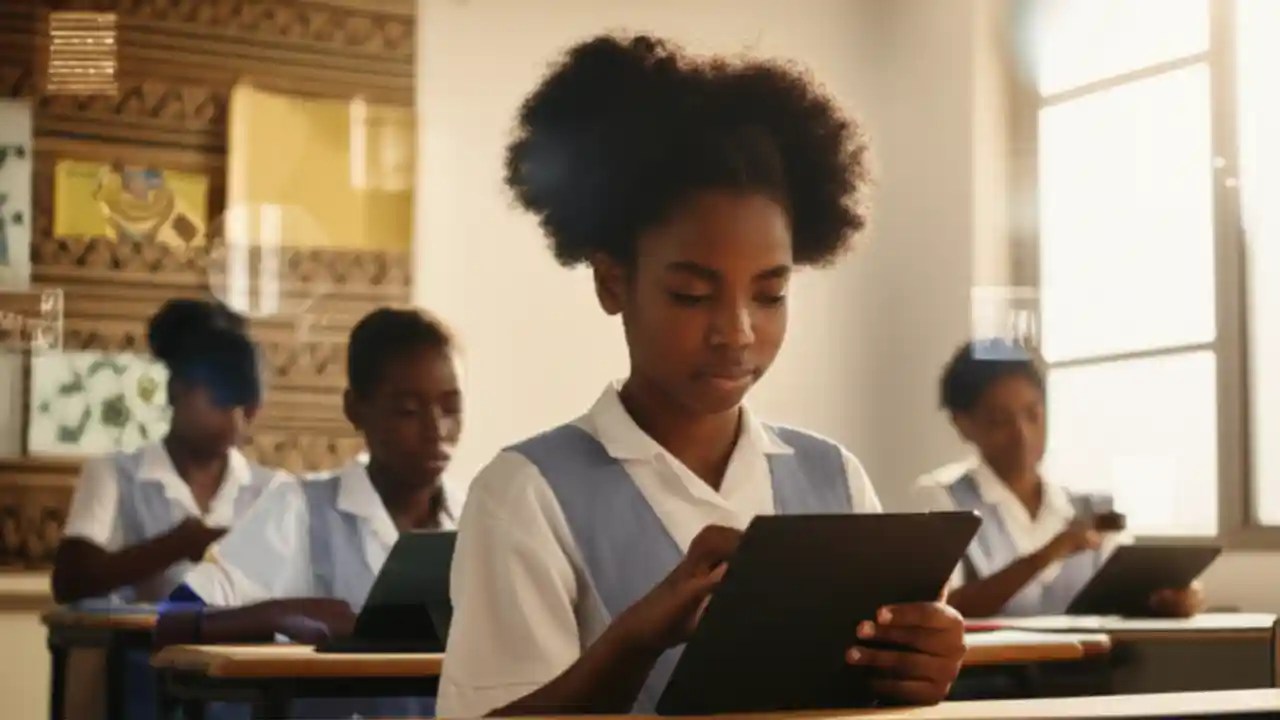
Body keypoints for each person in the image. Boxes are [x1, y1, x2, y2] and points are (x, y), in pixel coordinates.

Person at [437, 35, 965, 718]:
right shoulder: (527, 495)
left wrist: (916, 668)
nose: (738, 331)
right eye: (692, 293)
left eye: (770, 295)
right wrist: (633, 640)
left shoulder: (833, 478)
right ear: (611, 282)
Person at [154, 307, 462, 718]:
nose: (436, 430)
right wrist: (279, 614)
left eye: (451, 407)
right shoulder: (299, 509)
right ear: (356, 409)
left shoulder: (477, 519)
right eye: (408, 410)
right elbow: (174, 621)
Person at [914, 339, 1204, 618]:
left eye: (1033, 414)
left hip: (1088, 668)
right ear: (963, 424)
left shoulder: (1090, 509)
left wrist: (1172, 598)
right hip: (989, 669)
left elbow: (1131, 594)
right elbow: (941, 610)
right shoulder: (942, 499)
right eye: (1000, 420)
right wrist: (1047, 555)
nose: (1022, 434)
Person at [52, 298, 279, 604]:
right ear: (177, 391)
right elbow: (71, 582)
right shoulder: (116, 474)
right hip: (138, 650)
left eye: (247, 406)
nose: (238, 420)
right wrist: (180, 544)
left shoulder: (271, 490)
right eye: (222, 402)